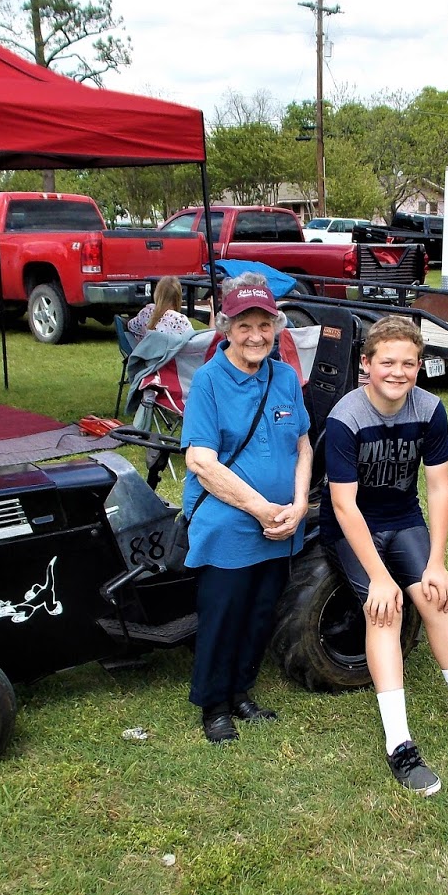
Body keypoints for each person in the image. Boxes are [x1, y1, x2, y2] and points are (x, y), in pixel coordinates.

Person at [323, 315, 448, 795]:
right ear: (366, 364)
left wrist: (437, 562)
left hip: (403, 519)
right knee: (385, 610)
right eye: (387, 362)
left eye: (408, 363)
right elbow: (343, 503)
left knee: (436, 598)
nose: (398, 372)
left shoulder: (430, 408)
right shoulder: (346, 416)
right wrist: (380, 578)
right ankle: (399, 743)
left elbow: (439, 488)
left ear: (420, 365)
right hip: (352, 525)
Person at [180, 275, 312, 743]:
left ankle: (241, 692)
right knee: (224, 615)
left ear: (276, 326)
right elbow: (200, 460)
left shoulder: (285, 377)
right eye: (244, 326)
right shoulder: (210, 382)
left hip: (281, 522)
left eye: (264, 324)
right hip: (231, 524)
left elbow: (302, 442)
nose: (256, 335)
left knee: (260, 612)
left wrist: (298, 503)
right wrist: (261, 510)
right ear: (226, 328)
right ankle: (214, 706)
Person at [127, 275, 194, 341]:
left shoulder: (146, 312)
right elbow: (192, 344)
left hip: (149, 351)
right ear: (179, 296)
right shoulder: (181, 321)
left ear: (157, 293)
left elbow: (131, 326)